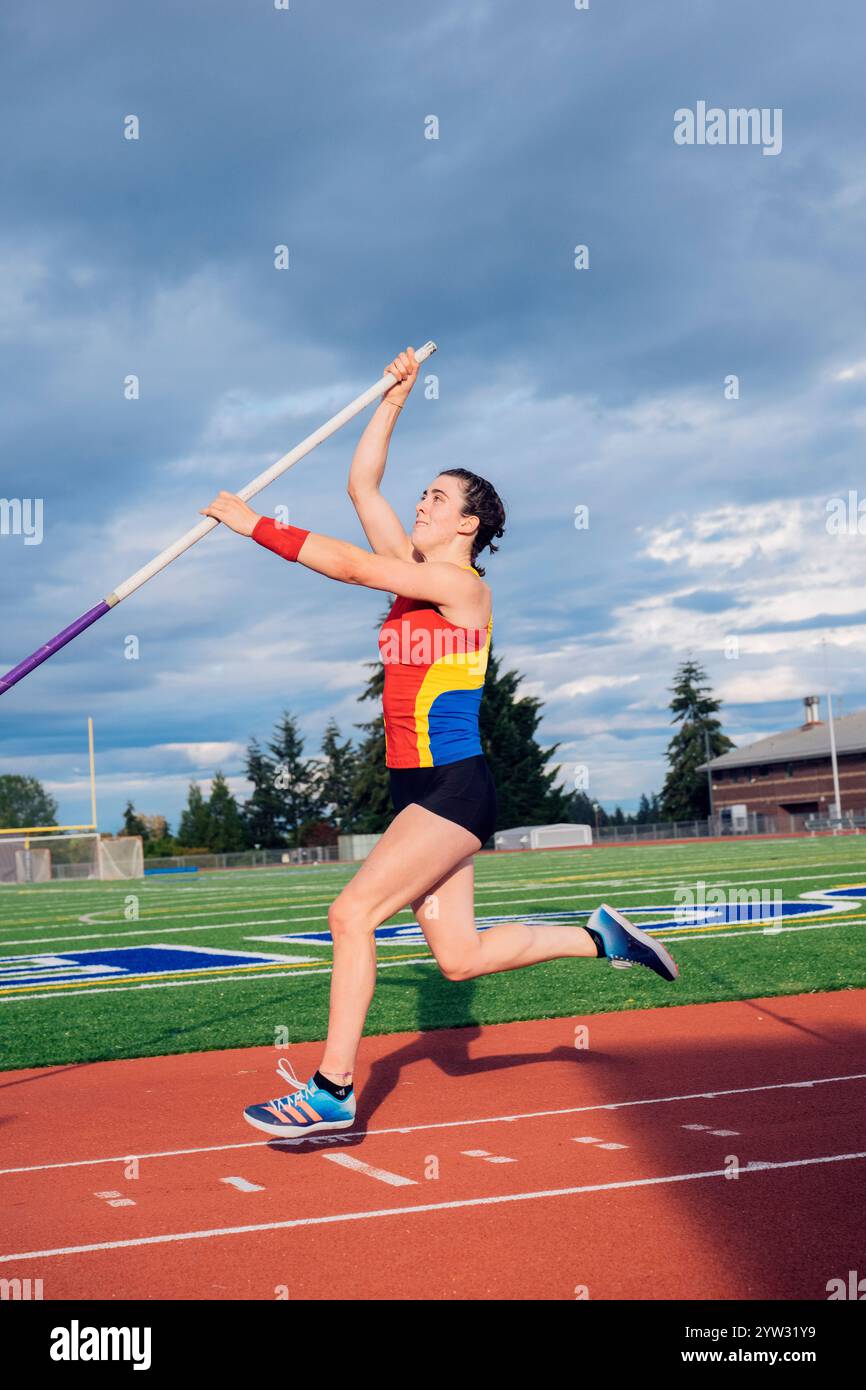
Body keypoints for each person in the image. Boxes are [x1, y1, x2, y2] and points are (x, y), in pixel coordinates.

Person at [201, 347, 678, 1139]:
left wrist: (251, 524)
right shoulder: (410, 571)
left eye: (437, 497)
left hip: (456, 786)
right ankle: (600, 938)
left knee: (351, 914)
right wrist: (393, 398)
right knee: (457, 958)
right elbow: (361, 487)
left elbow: (350, 567)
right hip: (412, 787)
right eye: (420, 493)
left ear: (469, 523)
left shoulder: (463, 587)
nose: (420, 504)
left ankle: (333, 1090)